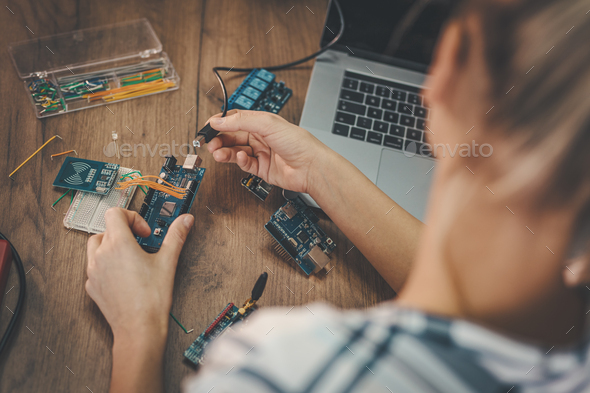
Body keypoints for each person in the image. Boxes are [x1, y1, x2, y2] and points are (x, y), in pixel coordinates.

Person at [85, 0, 590, 392]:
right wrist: (317, 169)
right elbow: (471, 302)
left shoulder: (283, 368)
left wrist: (138, 329)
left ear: (445, 78)